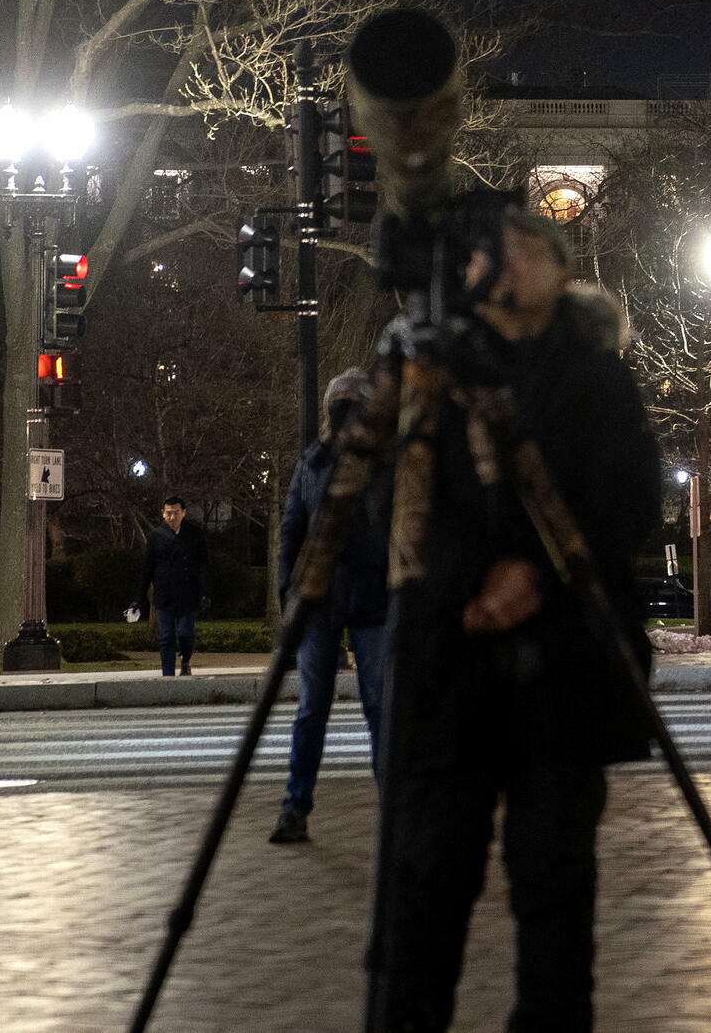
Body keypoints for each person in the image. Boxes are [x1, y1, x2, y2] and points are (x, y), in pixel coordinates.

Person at [379, 209, 660, 1033]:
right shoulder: (429, 362)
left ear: (562, 271)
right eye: (496, 248)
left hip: (564, 668)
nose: (510, 262)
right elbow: (392, 503)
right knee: (427, 886)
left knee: (556, 885)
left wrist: (536, 575)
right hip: (451, 661)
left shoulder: (598, 373)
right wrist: (468, 579)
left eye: (531, 248)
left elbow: (628, 498)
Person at [269, 365, 393, 845]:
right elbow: (291, 529)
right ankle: (296, 805)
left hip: (370, 596)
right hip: (321, 600)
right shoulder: (313, 464)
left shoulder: (383, 464)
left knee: (379, 708)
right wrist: (289, 592)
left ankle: (391, 809)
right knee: (311, 710)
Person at [131, 495, 210, 676]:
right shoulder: (156, 536)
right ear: (163, 514)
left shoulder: (194, 534)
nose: (172, 517)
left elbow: (203, 565)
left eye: (175, 513)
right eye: (168, 514)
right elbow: (147, 569)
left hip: (188, 594)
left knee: (185, 634)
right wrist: (138, 598)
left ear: (184, 513)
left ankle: (185, 659)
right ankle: (168, 675)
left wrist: (205, 592)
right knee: (166, 637)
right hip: (165, 594)